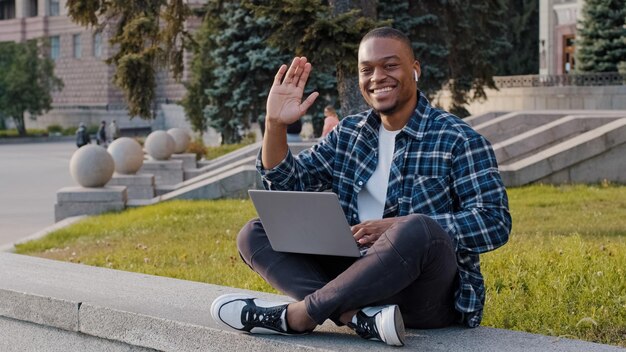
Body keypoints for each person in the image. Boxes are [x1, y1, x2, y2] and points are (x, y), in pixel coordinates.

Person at [211, 27, 511, 347]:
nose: (377, 77)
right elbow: (287, 182)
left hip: (424, 295)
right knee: (255, 232)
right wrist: (275, 125)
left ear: (415, 69)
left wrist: (395, 227)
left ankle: (298, 316)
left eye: (390, 66)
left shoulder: (459, 139)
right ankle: (357, 317)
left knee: (417, 228)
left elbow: (494, 222)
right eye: (366, 69)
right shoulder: (349, 133)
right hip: (353, 277)